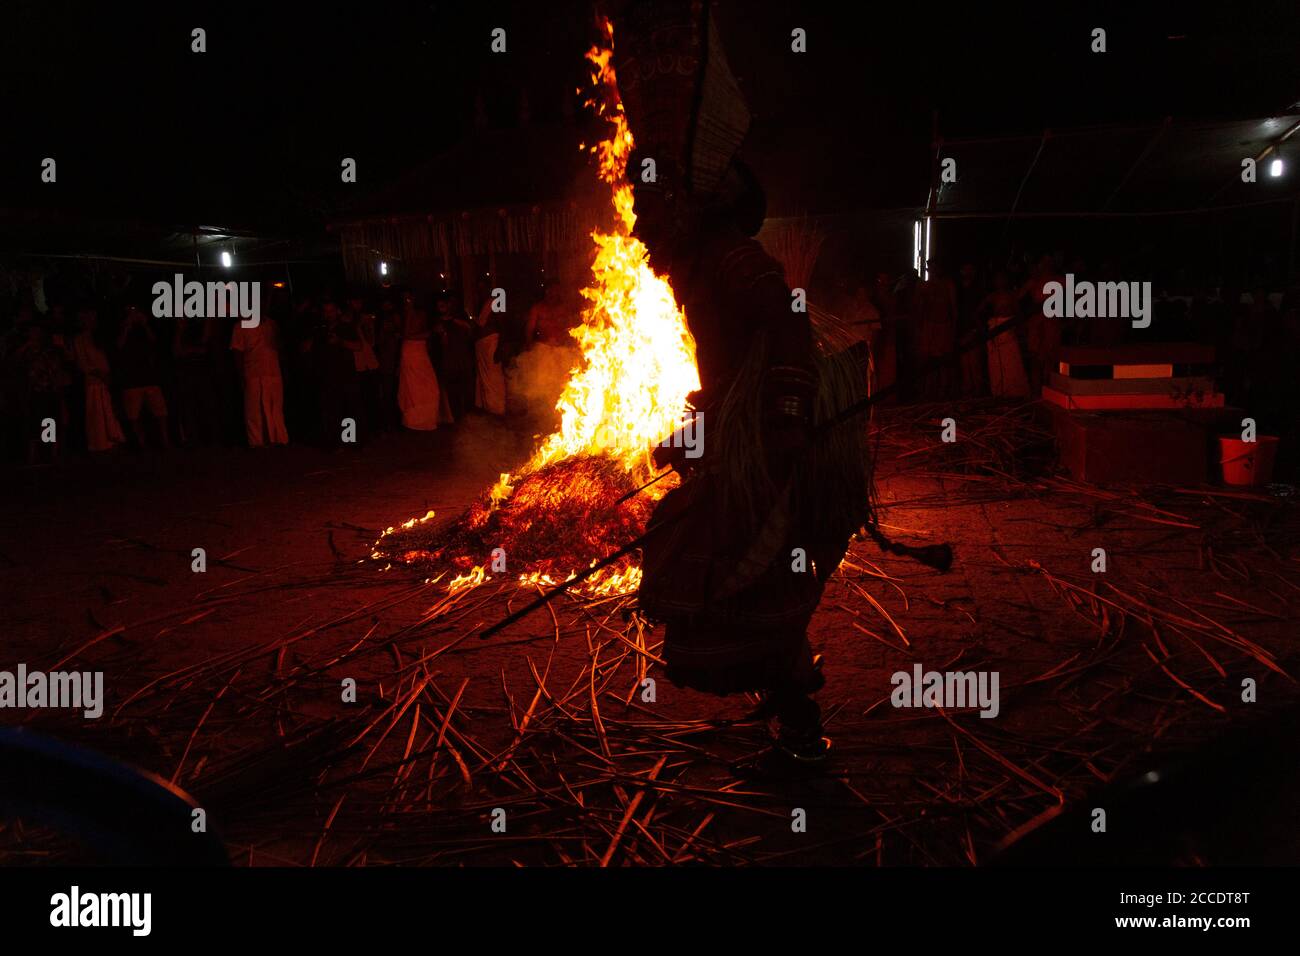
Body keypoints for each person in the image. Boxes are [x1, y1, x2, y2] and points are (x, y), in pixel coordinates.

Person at [616, 0, 874, 769]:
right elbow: (726, 376)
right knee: (728, 568)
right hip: (746, 429)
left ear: (695, 205)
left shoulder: (733, 261)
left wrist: (788, 418)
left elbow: (788, 328)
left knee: (757, 573)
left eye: (652, 207)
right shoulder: (699, 267)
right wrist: (694, 432)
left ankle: (797, 723)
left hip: (777, 441)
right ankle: (782, 706)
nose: (639, 224)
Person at [70, 305, 124, 453]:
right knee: (97, 412)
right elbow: (82, 363)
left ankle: (113, 437)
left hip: (105, 379)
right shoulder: (79, 339)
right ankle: (100, 441)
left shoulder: (99, 337)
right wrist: (99, 374)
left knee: (108, 409)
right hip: (94, 381)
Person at [116, 304, 170, 449]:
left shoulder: (144, 327)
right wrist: (126, 327)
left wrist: (145, 324)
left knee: (160, 412)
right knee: (133, 415)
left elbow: (154, 341)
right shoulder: (120, 327)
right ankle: (141, 443)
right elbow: (118, 346)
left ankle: (164, 441)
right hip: (131, 379)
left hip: (149, 376)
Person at [230, 314, 288, 447]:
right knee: (254, 410)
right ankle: (257, 442)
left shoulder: (271, 324)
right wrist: (241, 375)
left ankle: (277, 438)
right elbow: (237, 351)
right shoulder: (240, 326)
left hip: (273, 371)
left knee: (275, 407)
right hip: (253, 372)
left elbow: (279, 347)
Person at [397, 291, 448, 430]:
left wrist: (430, 334)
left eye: (410, 297)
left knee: (430, 387)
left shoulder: (424, 314)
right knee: (413, 387)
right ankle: (414, 421)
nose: (408, 300)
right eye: (405, 298)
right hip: (410, 351)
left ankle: (428, 418)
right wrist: (409, 311)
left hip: (421, 350)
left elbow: (428, 332)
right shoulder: (405, 314)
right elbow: (406, 334)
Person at [979, 270, 1030, 398]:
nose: (999, 282)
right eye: (997, 279)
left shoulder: (1012, 295)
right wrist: (984, 329)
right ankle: (999, 391)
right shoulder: (992, 296)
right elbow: (978, 311)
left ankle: (1014, 391)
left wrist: (1020, 330)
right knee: (997, 363)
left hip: (1009, 331)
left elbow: (1018, 313)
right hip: (996, 330)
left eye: (1002, 278)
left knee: (1011, 361)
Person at [433, 291, 476, 420]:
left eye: (443, 305)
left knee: (467, 393)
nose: (442, 308)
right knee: (453, 395)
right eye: (439, 306)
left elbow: (470, 333)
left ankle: (470, 421)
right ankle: (458, 422)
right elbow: (438, 344)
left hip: (463, 362)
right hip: (449, 364)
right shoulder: (437, 323)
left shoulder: (460, 319)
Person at [473, 291, 507, 415]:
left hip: (492, 343)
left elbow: (502, 323)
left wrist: (499, 347)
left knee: (494, 376)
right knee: (484, 377)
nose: (480, 290)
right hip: (482, 345)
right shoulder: (479, 304)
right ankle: (487, 407)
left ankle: (497, 409)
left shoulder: (496, 301)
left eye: (483, 287)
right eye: (478, 288)